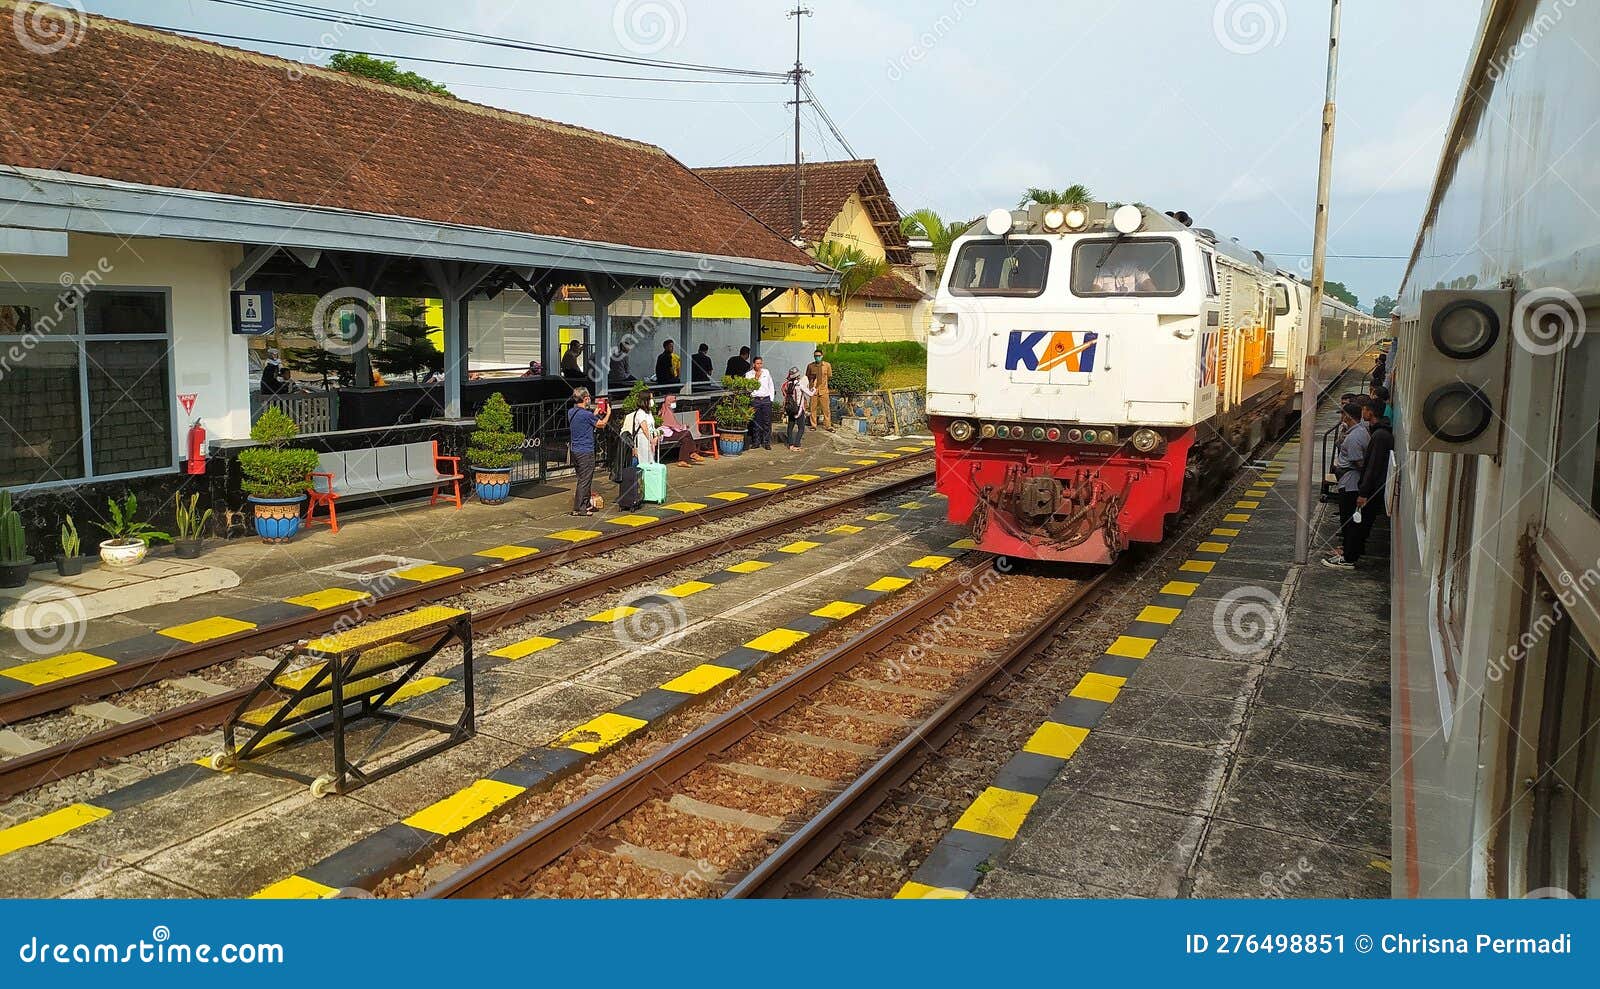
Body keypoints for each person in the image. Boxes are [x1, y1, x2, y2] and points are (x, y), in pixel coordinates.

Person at [1323, 401, 1372, 570]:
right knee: (1350, 520)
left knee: (1348, 519)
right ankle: (1348, 553)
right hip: (1350, 480)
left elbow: (1359, 463)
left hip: (1350, 483)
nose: (1341, 418)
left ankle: (1348, 557)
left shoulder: (1354, 437)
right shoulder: (1360, 432)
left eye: (1342, 415)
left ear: (1348, 416)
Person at [567, 387, 610, 516]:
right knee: (585, 479)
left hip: (575, 449)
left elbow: (584, 422)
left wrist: (594, 414)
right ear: (585, 399)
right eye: (589, 398)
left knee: (583, 477)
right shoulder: (586, 415)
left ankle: (586, 504)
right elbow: (601, 424)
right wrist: (608, 413)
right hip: (585, 450)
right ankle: (579, 508)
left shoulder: (572, 412)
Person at [617, 394, 657, 509]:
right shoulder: (640, 413)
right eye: (650, 398)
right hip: (642, 442)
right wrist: (651, 440)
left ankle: (648, 492)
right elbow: (644, 429)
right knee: (643, 466)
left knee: (650, 465)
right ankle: (641, 493)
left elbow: (651, 427)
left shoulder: (648, 413)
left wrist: (655, 437)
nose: (652, 401)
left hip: (649, 442)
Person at [659, 393, 705, 467]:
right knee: (686, 433)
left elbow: (674, 426)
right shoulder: (666, 412)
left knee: (685, 439)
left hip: (670, 433)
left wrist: (682, 427)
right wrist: (683, 427)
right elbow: (674, 426)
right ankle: (692, 453)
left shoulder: (668, 410)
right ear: (668, 402)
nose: (675, 403)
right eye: (673, 401)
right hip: (665, 435)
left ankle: (683, 460)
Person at [746, 356, 775, 450]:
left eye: (761, 363)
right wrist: (756, 378)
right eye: (757, 363)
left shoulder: (766, 372)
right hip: (756, 399)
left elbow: (771, 385)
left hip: (766, 399)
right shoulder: (749, 374)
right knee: (756, 422)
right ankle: (756, 442)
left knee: (767, 422)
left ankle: (766, 442)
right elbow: (748, 388)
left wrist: (771, 398)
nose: (759, 365)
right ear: (754, 364)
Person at [783, 366, 815, 451]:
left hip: (789, 408)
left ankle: (790, 445)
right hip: (798, 409)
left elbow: (784, 392)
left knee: (790, 427)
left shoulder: (788, 384)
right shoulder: (800, 384)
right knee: (801, 428)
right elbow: (810, 394)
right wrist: (814, 389)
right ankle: (796, 445)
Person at [806, 349, 833, 430]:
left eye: (819, 356)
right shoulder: (810, 366)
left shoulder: (827, 365)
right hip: (813, 390)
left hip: (824, 390)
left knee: (826, 409)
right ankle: (813, 425)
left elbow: (829, 376)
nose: (817, 357)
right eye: (816, 356)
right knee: (813, 409)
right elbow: (807, 376)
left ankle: (827, 425)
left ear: (822, 356)